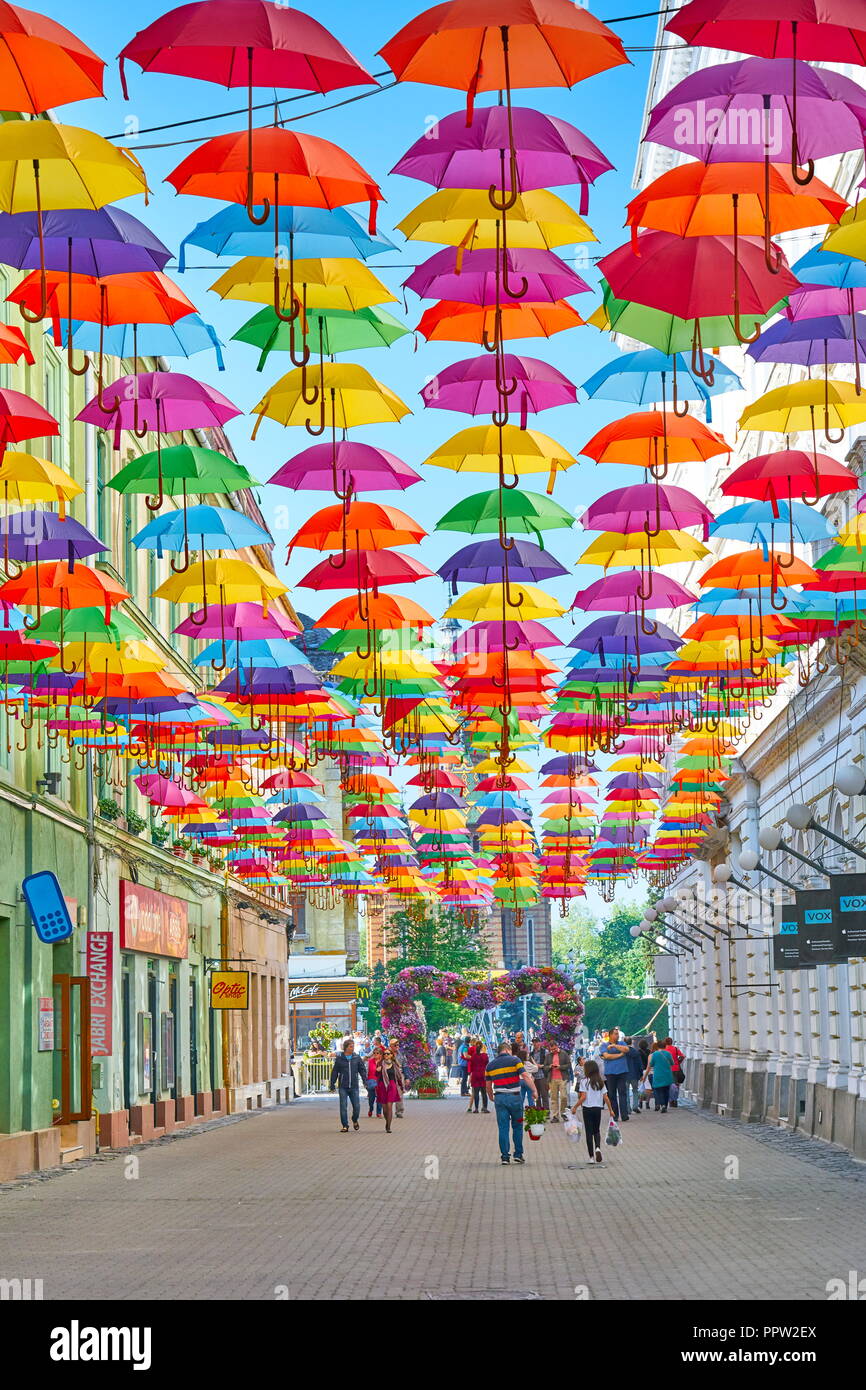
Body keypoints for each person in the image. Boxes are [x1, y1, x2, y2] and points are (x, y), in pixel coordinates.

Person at [486, 1040, 538, 1165]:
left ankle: (505, 1157)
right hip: (515, 1098)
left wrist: (490, 1097)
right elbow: (526, 1076)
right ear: (508, 1050)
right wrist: (534, 1090)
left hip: (500, 1098)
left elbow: (488, 1085)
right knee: (517, 1126)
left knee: (503, 1128)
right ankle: (518, 1155)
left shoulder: (490, 1065)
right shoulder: (515, 1061)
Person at [572, 1058, 615, 1165]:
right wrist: (611, 1110)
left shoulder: (584, 1082)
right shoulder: (600, 1082)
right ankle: (598, 1148)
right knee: (596, 1130)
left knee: (589, 1132)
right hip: (597, 1109)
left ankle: (591, 1157)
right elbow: (606, 1098)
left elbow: (583, 1097)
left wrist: (575, 1107)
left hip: (587, 1109)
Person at [329, 1037, 367, 1132]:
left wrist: (365, 1081)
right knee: (343, 1107)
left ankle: (354, 1119)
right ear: (346, 1048)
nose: (352, 1048)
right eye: (351, 1046)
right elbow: (335, 1072)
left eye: (353, 1046)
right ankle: (345, 1125)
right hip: (343, 1086)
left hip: (354, 1086)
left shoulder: (356, 1057)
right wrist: (332, 1084)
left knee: (357, 1106)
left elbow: (362, 1070)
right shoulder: (339, 1058)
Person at [599, 1027, 631, 1122]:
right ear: (610, 1035)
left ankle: (624, 1115)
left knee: (622, 1093)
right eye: (616, 1034)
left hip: (622, 1071)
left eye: (618, 1034)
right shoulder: (603, 1045)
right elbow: (607, 1056)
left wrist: (614, 1046)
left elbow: (626, 1049)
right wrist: (620, 1055)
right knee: (612, 1094)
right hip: (610, 1073)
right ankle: (615, 1115)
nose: (618, 1035)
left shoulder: (622, 1043)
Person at [377, 1044, 404, 1132]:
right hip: (382, 1086)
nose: (386, 1055)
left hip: (392, 1086)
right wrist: (378, 1070)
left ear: (392, 1055)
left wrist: (401, 1087)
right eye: (384, 1054)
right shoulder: (380, 1064)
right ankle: (387, 1120)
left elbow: (398, 1077)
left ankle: (388, 1126)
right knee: (384, 1109)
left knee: (389, 1106)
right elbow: (376, 1076)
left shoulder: (395, 1065)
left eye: (388, 1054)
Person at [545, 1043, 574, 1122]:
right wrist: (549, 1066)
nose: (553, 1051)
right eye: (551, 1050)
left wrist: (560, 1067)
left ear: (557, 1046)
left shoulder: (564, 1053)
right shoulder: (548, 1055)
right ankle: (555, 1116)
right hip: (552, 1079)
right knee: (553, 1098)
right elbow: (545, 1067)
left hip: (562, 1078)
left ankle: (563, 1113)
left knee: (564, 1096)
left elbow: (569, 1064)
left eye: (554, 1049)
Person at [644, 1040, 675, 1112]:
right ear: (665, 1046)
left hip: (658, 1075)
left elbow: (651, 1064)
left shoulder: (655, 1054)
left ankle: (663, 1105)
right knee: (666, 1090)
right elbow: (672, 1063)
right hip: (667, 1075)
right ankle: (665, 1106)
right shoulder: (668, 1053)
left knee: (659, 1090)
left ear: (658, 1046)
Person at [624, 1035, 645, 1116]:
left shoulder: (622, 1052)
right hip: (634, 1075)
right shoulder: (636, 1052)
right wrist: (641, 1075)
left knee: (626, 1092)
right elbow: (640, 1065)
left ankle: (627, 1108)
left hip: (625, 1075)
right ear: (631, 1042)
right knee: (635, 1090)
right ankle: (635, 1106)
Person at [468, 1038, 490, 1113]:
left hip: (475, 1075)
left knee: (476, 1093)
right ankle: (485, 1107)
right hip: (483, 1075)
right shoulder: (485, 1056)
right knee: (484, 1092)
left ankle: (476, 1108)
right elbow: (487, 1065)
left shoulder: (473, 1056)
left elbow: (471, 1066)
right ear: (482, 1047)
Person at [511, 1031, 532, 1107]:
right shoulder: (513, 1046)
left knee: (525, 1096)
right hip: (515, 1075)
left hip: (522, 1073)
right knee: (518, 1096)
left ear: (522, 1038)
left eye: (519, 1037)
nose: (517, 1039)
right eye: (516, 1037)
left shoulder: (525, 1047)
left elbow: (526, 1059)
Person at [663, 1037, 686, 1106]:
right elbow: (682, 1056)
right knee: (676, 1085)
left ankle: (670, 1100)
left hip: (666, 1069)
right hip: (676, 1068)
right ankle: (675, 1100)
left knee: (668, 1085)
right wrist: (678, 1062)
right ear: (671, 1042)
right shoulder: (675, 1048)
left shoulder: (664, 1049)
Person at [530, 1039, 550, 1113]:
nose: (535, 1044)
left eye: (536, 1042)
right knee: (537, 1095)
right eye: (533, 1042)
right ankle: (539, 1112)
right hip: (534, 1077)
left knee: (544, 1094)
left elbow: (548, 1064)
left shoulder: (545, 1052)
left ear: (540, 1043)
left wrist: (541, 1066)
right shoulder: (531, 1054)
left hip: (542, 1075)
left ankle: (547, 1111)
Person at [388, 1037, 406, 1118]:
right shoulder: (386, 1054)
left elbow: (405, 1066)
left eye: (398, 1045)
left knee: (399, 1094)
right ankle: (388, 1111)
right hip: (388, 1077)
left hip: (399, 1076)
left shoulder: (401, 1055)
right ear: (391, 1046)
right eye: (395, 1045)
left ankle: (399, 1112)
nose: (397, 1046)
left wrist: (407, 1077)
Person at [366, 1043, 383, 1119]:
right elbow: (366, 1072)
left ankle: (379, 1112)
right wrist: (365, 1082)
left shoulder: (383, 1062)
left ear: (380, 1054)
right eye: (374, 1053)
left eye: (377, 1053)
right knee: (371, 1098)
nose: (375, 1054)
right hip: (371, 1081)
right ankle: (371, 1108)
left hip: (380, 1081)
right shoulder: (370, 1061)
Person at [457, 1033, 471, 1098]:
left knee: (464, 1078)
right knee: (464, 1078)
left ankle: (464, 1091)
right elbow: (465, 1055)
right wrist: (473, 1057)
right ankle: (464, 1092)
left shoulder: (461, 1046)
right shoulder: (465, 1047)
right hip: (464, 1064)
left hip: (461, 1063)